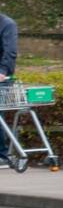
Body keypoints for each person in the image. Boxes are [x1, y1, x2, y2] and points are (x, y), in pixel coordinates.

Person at [0, 11, 18, 167]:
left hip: (1, 79)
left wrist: (3, 71)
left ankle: (2, 155)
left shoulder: (7, 24)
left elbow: (10, 51)